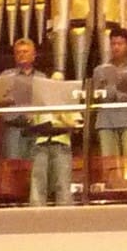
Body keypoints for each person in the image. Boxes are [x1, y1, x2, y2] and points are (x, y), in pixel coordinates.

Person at [91, 24, 127, 183]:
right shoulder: (100, 70)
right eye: (113, 44)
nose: (116, 47)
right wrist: (101, 91)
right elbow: (93, 97)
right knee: (109, 165)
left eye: (120, 43)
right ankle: (112, 190)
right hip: (106, 121)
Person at [22, 62, 80, 207]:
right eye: (53, 81)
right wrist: (30, 115)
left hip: (61, 144)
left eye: (59, 81)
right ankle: (36, 214)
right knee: (38, 182)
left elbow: (77, 126)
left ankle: (65, 215)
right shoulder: (41, 101)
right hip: (41, 144)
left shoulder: (69, 102)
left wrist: (61, 115)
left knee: (62, 183)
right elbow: (32, 121)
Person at [0, 37, 41, 160]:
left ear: (34, 55)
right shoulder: (6, 75)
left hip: (36, 128)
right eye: (18, 52)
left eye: (25, 51)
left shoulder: (42, 77)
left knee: (35, 166)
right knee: (13, 165)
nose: (21, 54)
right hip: (13, 128)